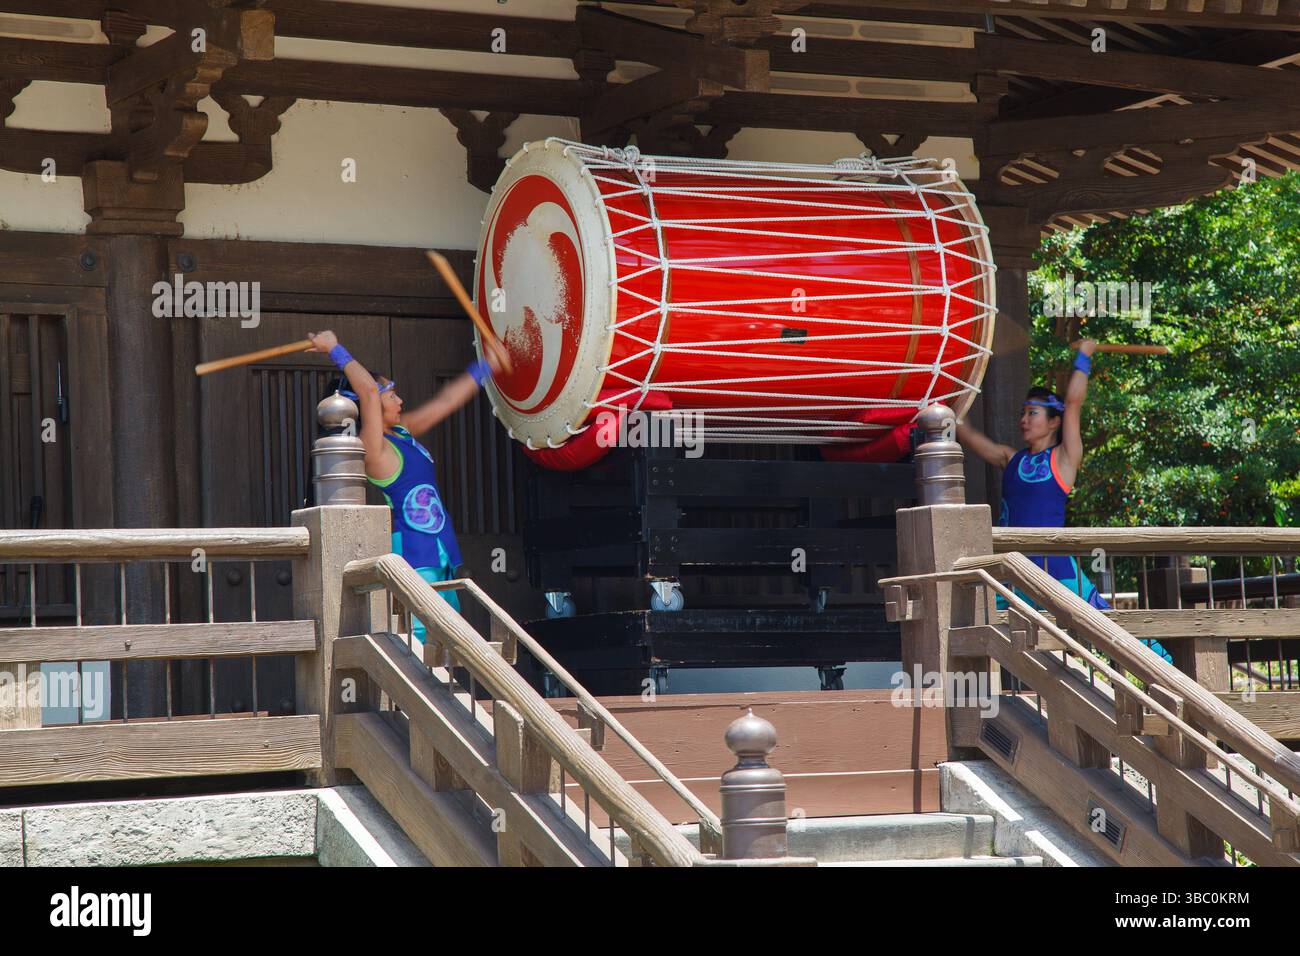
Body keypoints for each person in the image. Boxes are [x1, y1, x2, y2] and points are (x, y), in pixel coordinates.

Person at [955, 339, 1173, 663]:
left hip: (1055, 568)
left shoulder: (1064, 460)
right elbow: (965, 432)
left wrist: (1084, 357)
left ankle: (1163, 665)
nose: (1024, 420)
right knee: (981, 622)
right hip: (1011, 569)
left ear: (1054, 421)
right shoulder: (1009, 458)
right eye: (1023, 413)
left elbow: (1072, 403)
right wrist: (953, 389)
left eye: (1033, 413)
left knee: (1102, 622)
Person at [308, 329, 505, 642]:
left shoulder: (401, 434)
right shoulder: (372, 447)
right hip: (415, 552)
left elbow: (446, 401)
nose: (398, 399)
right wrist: (334, 349)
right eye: (391, 393)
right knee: (421, 637)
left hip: (439, 548)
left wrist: (486, 366)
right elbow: (369, 392)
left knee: (451, 638)